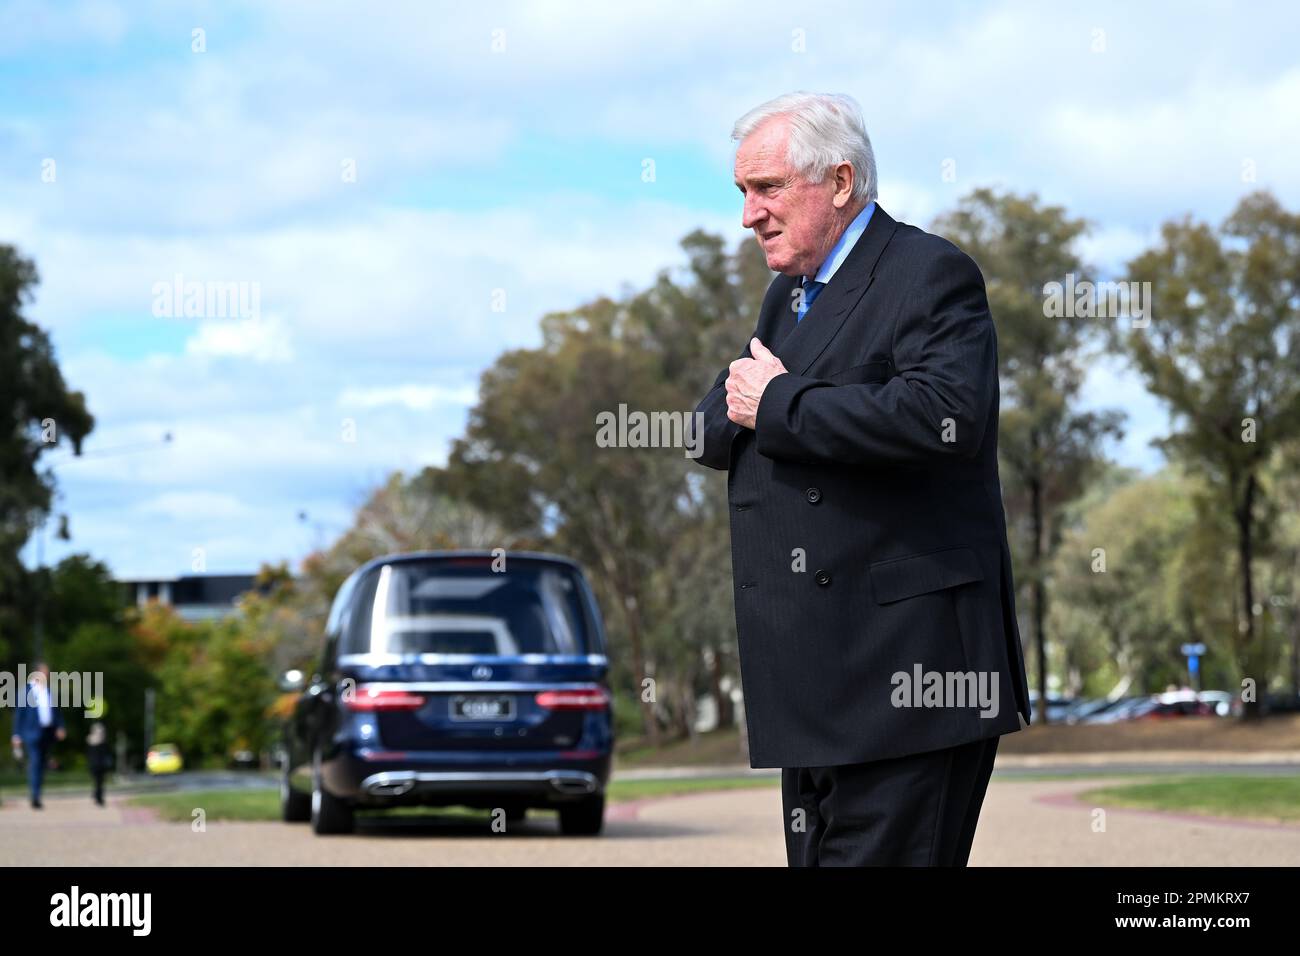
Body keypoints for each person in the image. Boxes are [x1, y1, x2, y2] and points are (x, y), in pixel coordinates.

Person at [693, 92, 1031, 866]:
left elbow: (946, 416)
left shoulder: (929, 271)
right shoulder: (789, 294)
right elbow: (716, 420)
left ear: (840, 182)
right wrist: (757, 404)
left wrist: (778, 401)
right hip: (814, 690)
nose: (749, 215)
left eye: (768, 188)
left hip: (909, 682)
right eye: (742, 193)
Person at [11, 661, 67, 809]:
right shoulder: (25, 692)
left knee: (42, 765)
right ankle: (35, 796)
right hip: (31, 734)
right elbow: (19, 715)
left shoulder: (49, 691)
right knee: (35, 762)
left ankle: (37, 793)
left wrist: (60, 727)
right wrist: (16, 735)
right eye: (44, 672)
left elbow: (56, 712)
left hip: (47, 733)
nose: (47, 675)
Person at [87, 722, 111, 807]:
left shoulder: (98, 742)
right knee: (98, 782)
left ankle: (98, 796)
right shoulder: (96, 742)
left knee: (99, 782)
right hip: (96, 765)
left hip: (99, 765)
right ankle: (98, 797)